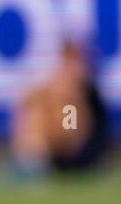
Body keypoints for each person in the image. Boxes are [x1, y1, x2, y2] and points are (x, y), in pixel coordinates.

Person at [9, 40, 111, 179]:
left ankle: (32, 163)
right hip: (59, 150)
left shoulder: (82, 93)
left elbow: (72, 134)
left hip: (78, 153)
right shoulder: (53, 89)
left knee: (49, 110)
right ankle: (30, 161)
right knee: (36, 112)